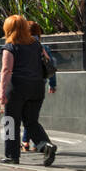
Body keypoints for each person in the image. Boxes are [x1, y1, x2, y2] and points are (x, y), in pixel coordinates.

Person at [0, 14, 56, 166]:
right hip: (37, 88)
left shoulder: (10, 47)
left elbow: (6, 71)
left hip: (17, 88)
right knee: (31, 121)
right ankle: (45, 145)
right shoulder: (37, 45)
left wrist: (1, 95)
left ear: (8, 28)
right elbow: (47, 62)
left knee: (10, 121)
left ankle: (11, 155)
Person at [22, 21, 57, 153]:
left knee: (27, 116)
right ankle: (35, 143)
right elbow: (50, 68)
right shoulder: (43, 47)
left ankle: (26, 142)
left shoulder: (22, 45)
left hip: (24, 84)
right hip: (40, 84)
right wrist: (52, 84)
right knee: (32, 116)